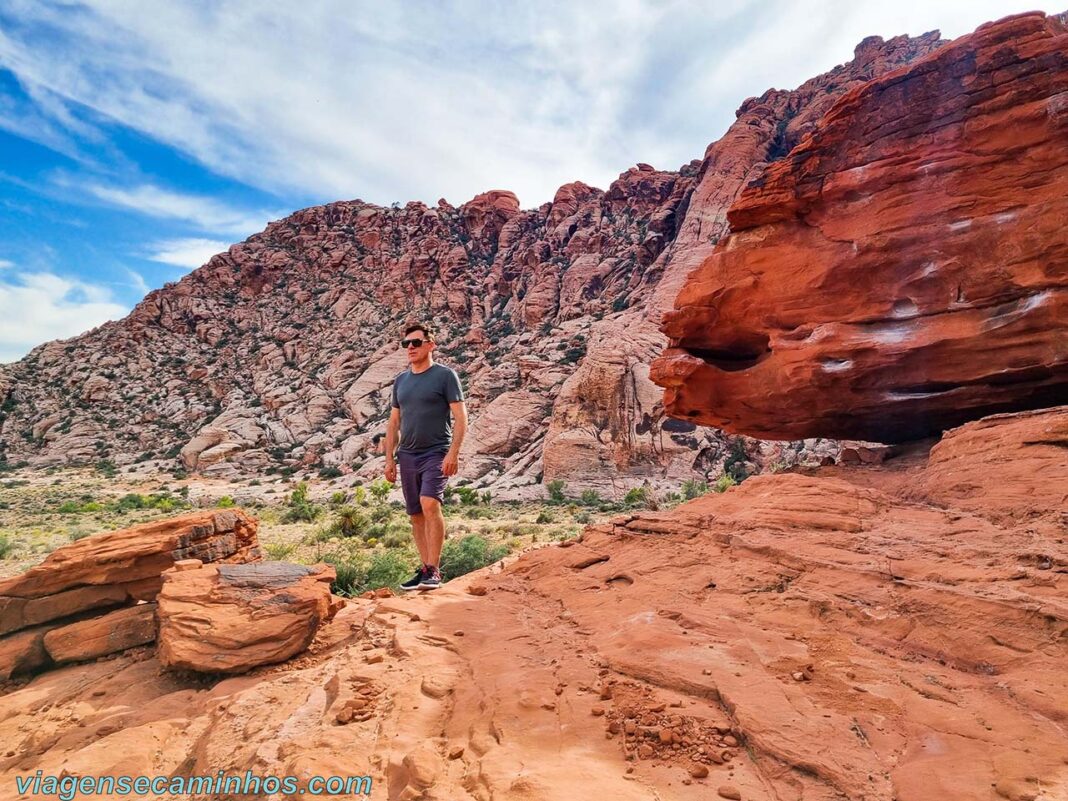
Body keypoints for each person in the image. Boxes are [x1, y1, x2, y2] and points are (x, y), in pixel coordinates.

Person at [384, 322, 467, 591]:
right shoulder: (400, 381)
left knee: (430, 503)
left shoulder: (445, 376)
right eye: (406, 343)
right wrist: (389, 459)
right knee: (415, 514)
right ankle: (424, 569)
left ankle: (434, 569)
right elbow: (394, 423)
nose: (410, 347)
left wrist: (453, 453)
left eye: (416, 342)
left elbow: (461, 417)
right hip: (407, 455)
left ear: (430, 345)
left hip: (436, 451)